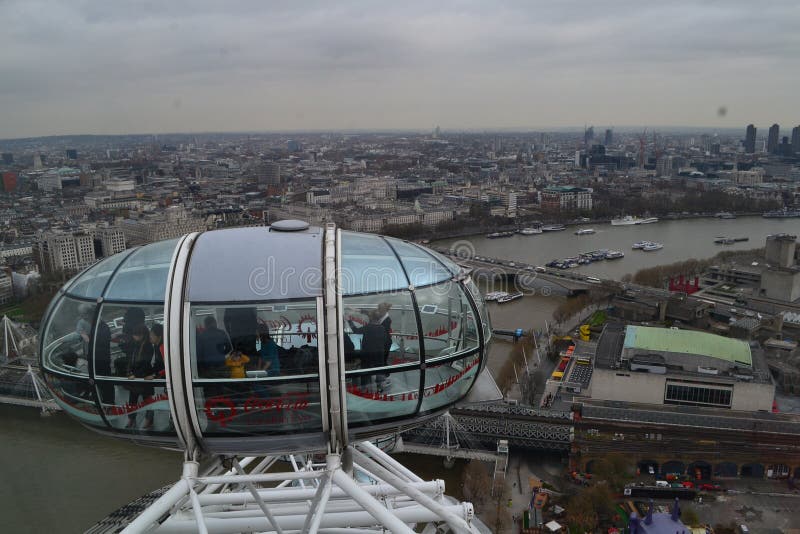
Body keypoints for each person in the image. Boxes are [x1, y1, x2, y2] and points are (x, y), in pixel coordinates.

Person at [123, 324, 155, 429]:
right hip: (136, 376)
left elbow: (146, 363)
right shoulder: (136, 344)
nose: (133, 337)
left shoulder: (148, 346)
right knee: (133, 400)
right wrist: (129, 372)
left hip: (143, 376)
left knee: (147, 400)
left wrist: (134, 374)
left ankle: (148, 420)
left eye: (135, 335)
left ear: (141, 335)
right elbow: (130, 360)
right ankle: (132, 418)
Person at [350, 309, 390, 391]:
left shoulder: (367, 328)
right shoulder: (382, 328)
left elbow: (355, 330)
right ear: (379, 319)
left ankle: (364, 388)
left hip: (367, 356)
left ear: (369, 319)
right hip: (379, 355)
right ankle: (380, 388)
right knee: (379, 371)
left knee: (365, 372)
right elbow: (386, 341)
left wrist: (349, 321)